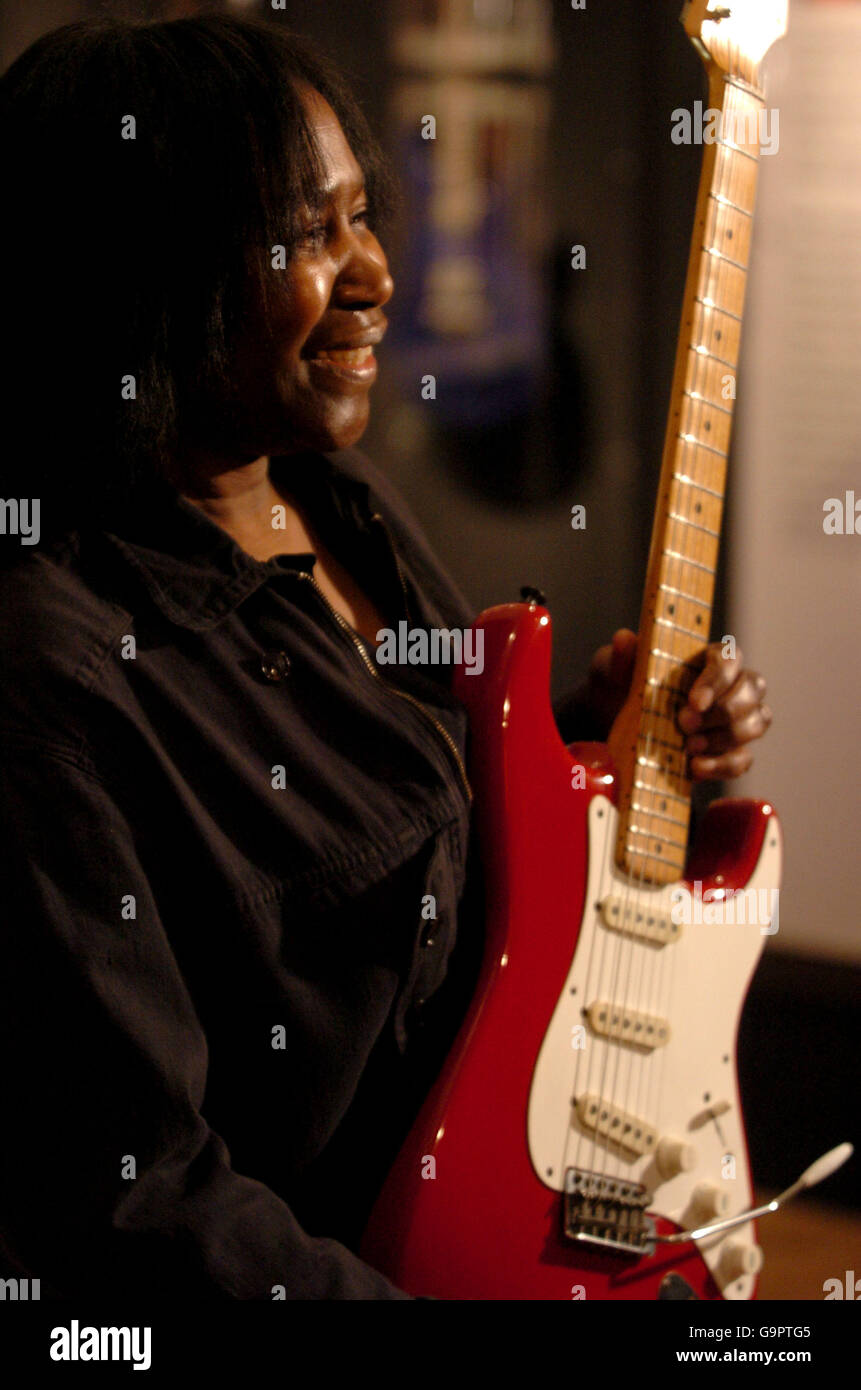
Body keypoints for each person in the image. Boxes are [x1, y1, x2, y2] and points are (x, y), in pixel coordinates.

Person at [0, 15, 771, 1300]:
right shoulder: (55, 673)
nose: (374, 273)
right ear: (141, 272)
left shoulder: (337, 501)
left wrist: (610, 739)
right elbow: (134, 1202)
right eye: (307, 236)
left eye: (364, 217)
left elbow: (440, 829)